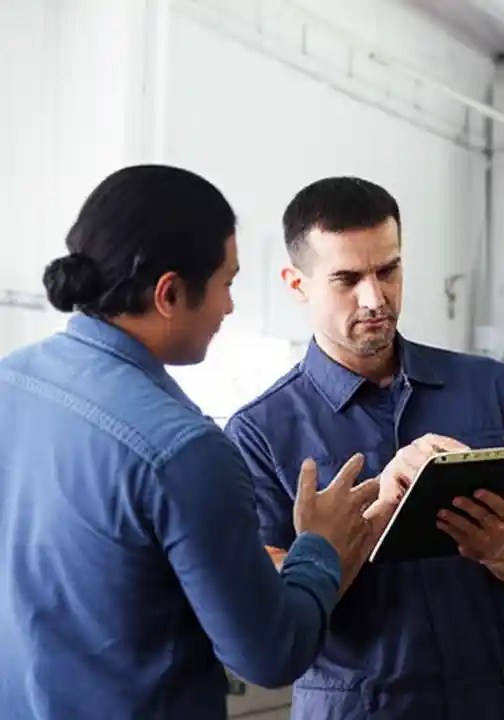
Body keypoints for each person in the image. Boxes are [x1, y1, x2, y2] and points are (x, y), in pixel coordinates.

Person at [0, 165, 417, 720]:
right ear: (170, 293)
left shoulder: (12, 380)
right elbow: (268, 654)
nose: (229, 307)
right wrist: (319, 545)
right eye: (227, 283)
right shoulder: (185, 451)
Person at [223, 176, 504, 718]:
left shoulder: (488, 388)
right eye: (347, 278)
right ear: (297, 284)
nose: (375, 298)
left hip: (495, 700)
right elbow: (273, 623)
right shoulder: (260, 432)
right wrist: (379, 514)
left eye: (388, 270)